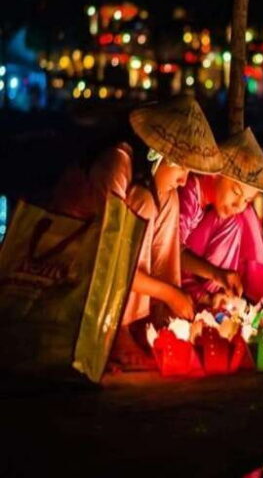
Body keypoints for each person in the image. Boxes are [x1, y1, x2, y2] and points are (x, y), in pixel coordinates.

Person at [52, 94, 225, 366]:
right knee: (145, 202)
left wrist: (175, 294)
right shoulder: (116, 164)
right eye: (183, 169)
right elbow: (112, 261)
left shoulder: (155, 184)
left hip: (109, 264)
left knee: (167, 198)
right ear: (158, 154)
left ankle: (159, 316)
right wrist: (170, 293)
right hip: (71, 257)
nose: (184, 181)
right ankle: (118, 328)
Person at [179, 127, 263, 308]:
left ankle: (220, 297)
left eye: (247, 200)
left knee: (239, 218)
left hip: (194, 272)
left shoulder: (212, 206)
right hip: (173, 270)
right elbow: (172, 252)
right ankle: (210, 298)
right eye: (236, 192)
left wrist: (219, 275)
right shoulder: (190, 191)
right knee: (232, 220)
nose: (238, 205)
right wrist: (217, 273)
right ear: (216, 174)